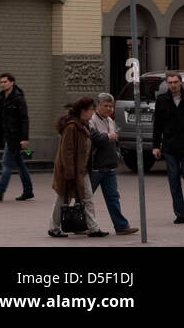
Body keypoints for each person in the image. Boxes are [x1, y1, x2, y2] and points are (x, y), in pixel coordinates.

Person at [48, 97, 107, 238]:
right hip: (70, 171)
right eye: (91, 109)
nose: (93, 112)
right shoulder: (72, 127)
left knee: (87, 198)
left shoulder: (83, 125)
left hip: (81, 170)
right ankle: (54, 228)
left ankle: (93, 228)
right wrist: (70, 173)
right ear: (83, 111)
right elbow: (67, 152)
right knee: (63, 199)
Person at [89, 92, 136, 236]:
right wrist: (108, 137)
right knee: (86, 198)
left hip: (109, 166)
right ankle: (78, 222)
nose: (109, 109)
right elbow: (93, 138)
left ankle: (121, 226)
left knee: (113, 198)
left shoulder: (109, 120)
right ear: (98, 106)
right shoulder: (92, 120)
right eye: (106, 106)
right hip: (96, 167)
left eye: (111, 106)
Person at [0, 72, 33, 202]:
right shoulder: (2, 96)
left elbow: (24, 119)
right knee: (20, 164)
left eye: (5, 82)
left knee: (6, 163)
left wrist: (25, 138)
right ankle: (28, 190)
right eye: (1, 82)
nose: (3, 84)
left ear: (12, 82)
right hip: (5, 134)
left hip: (15, 136)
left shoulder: (18, 98)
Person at [151, 70, 184, 224]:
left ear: (180, 82)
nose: (173, 85)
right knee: (174, 179)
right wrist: (156, 146)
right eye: (170, 83)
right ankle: (180, 213)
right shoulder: (162, 100)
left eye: (175, 82)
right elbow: (157, 125)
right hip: (170, 147)